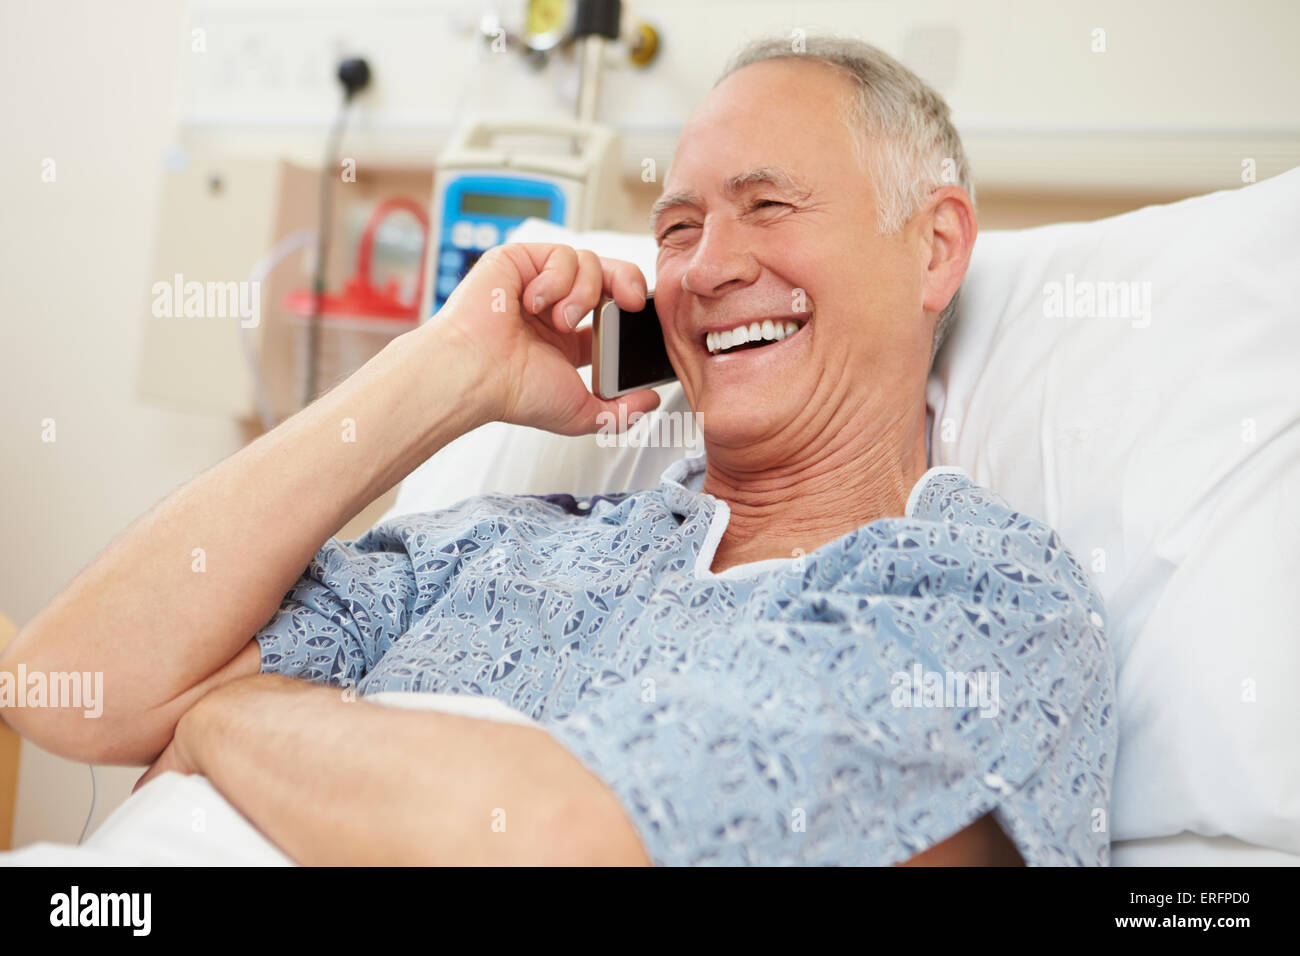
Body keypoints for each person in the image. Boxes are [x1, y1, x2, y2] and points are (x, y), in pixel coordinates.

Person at [0, 34, 1114, 866]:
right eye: (676, 227)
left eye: (767, 205)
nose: (705, 267)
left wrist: (224, 715)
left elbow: (557, 835)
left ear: (934, 246)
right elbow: (65, 691)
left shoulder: (978, 600)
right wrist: (440, 374)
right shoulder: (493, 549)